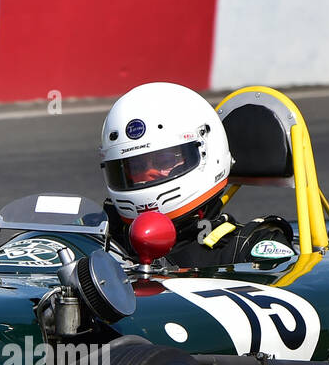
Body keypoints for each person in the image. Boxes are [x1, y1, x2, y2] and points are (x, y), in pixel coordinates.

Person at [98, 81, 294, 267]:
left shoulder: (246, 248)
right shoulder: (100, 244)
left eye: (165, 162)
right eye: (136, 168)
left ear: (208, 152)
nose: (148, 173)